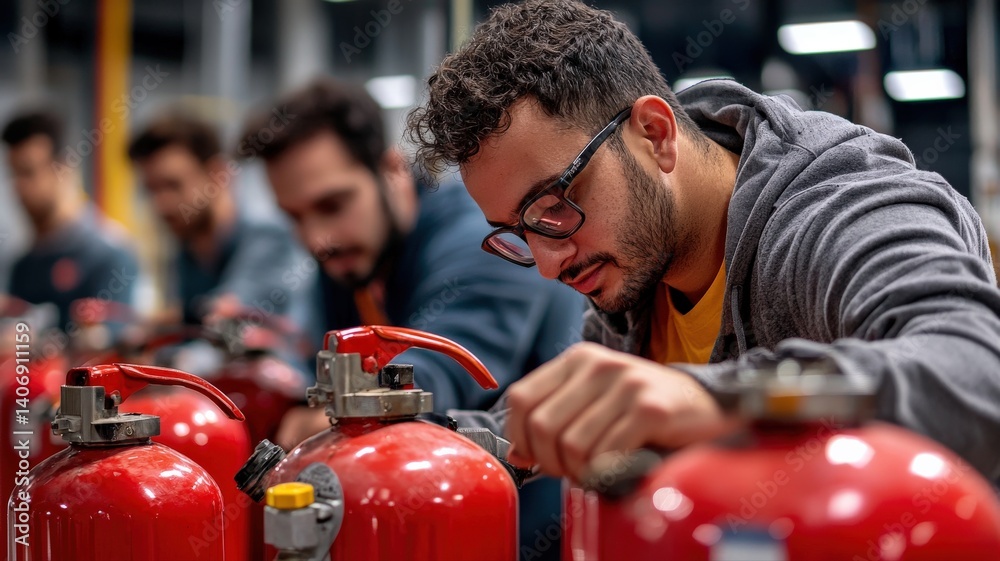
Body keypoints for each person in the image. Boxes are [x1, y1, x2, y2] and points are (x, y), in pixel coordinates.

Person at [406, 0, 1000, 487]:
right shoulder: (632, 269)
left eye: (553, 206)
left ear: (655, 134)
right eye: (517, 232)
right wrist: (422, 440)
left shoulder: (837, 210)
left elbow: (977, 373)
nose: (546, 262)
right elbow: (589, 412)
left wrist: (713, 400)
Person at [239, 78, 583, 556]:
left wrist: (321, 418)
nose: (317, 239)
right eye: (295, 217)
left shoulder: (479, 239)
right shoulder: (352, 258)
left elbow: (432, 380)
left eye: (332, 205)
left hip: (540, 527)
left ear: (391, 169)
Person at [128, 111, 314, 331]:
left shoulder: (269, 239)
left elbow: (229, 331)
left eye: (173, 185)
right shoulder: (187, 252)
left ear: (217, 175)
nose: (160, 204)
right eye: (151, 190)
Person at [2, 110, 140, 333]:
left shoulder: (110, 254)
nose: (18, 187)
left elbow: (113, 345)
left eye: (28, 172)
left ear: (63, 168)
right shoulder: (24, 266)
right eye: (13, 173)